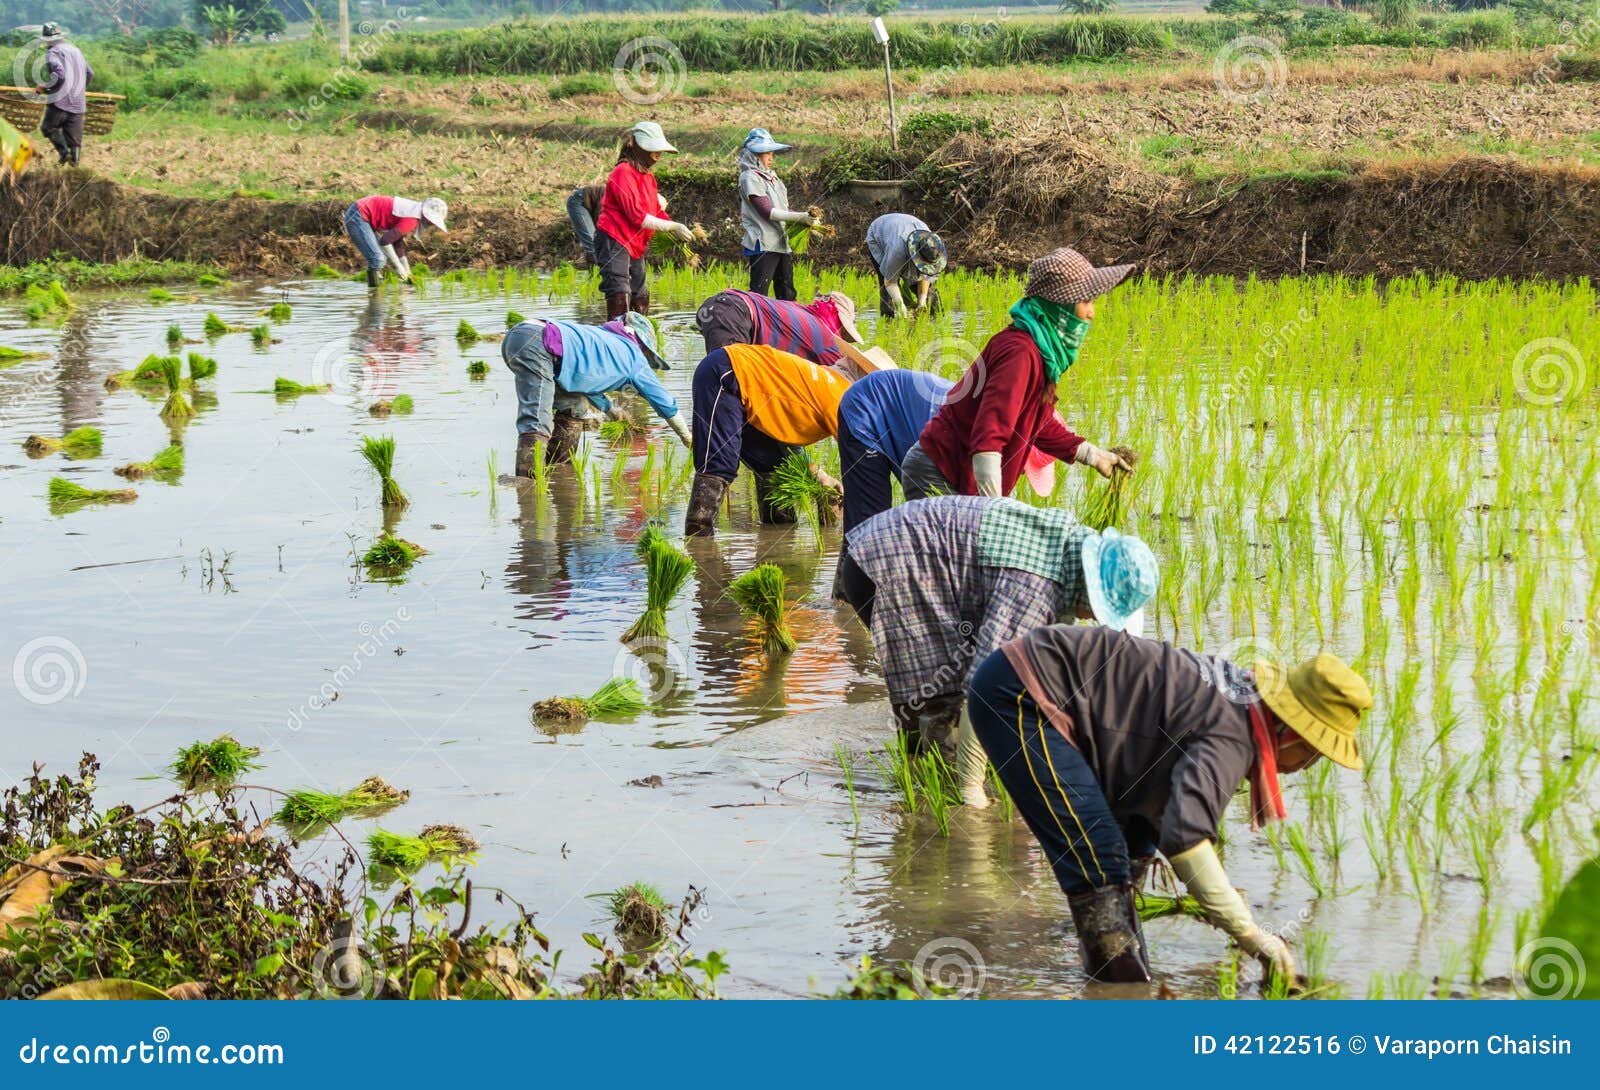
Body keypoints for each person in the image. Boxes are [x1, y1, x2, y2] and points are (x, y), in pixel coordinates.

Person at [967, 631, 1370, 986]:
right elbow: (1185, 838)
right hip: (1022, 693)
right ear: (1293, 733)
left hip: (1038, 678)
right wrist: (1251, 934)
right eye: (1316, 753)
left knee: (1134, 844)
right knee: (1099, 860)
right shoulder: (1232, 734)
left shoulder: (1241, 704)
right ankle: (1121, 988)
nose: (1307, 766)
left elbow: (1164, 804)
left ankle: (1101, 956)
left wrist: (1221, 899)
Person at [838, 496, 1158, 809]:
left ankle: (920, 777)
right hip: (883, 566)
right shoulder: (1036, 587)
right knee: (940, 696)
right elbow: (986, 687)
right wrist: (971, 787)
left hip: (892, 553)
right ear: (1091, 590)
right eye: (1099, 612)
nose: (1093, 619)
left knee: (951, 697)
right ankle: (934, 791)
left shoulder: (1066, 549)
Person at [903, 246, 1134, 500]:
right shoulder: (1020, 353)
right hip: (941, 473)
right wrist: (994, 511)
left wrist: (1093, 455)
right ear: (1061, 305)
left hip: (964, 472)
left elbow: (1038, 424)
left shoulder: (1042, 351)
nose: (1091, 313)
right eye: (1086, 302)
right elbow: (988, 438)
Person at [684, 343, 872, 536]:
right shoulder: (841, 397)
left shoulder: (822, 383)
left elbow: (785, 439)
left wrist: (821, 477)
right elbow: (861, 465)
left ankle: (778, 540)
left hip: (743, 383)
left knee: (776, 465)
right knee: (719, 463)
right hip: (727, 372)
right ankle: (700, 544)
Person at [501, 312, 690, 477]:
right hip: (538, 343)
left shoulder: (603, 339)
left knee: (575, 405)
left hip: (520, 337)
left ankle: (559, 470)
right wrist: (687, 437)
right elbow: (665, 403)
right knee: (537, 414)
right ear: (643, 346)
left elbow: (585, 382)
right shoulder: (635, 358)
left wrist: (610, 409)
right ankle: (527, 482)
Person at [594, 121, 696, 320]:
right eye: (652, 148)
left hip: (635, 244)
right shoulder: (622, 172)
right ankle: (618, 340)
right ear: (634, 144)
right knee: (620, 290)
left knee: (640, 294)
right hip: (614, 239)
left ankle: (639, 338)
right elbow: (637, 215)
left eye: (659, 149)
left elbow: (656, 212)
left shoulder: (648, 178)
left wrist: (675, 231)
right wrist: (673, 226)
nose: (657, 153)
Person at [736, 128, 820, 300]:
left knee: (787, 290)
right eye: (766, 153)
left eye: (771, 153)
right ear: (753, 155)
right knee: (760, 293)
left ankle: (789, 324)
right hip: (763, 243)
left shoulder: (774, 179)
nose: (770, 157)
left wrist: (806, 219)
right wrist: (800, 216)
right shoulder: (749, 177)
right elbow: (766, 211)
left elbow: (782, 210)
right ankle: (756, 325)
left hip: (781, 242)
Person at [694, 288, 862, 369]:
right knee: (728, 379)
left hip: (712, 308)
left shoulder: (800, 311)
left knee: (740, 380)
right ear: (838, 322)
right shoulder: (824, 338)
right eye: (844, 333)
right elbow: (846, 378)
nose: (842, 338)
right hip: (732, 312)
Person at [343, 195, 448, 288]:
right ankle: (374, 294)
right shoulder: (412, 220)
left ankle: (376, 291)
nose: (432, 225)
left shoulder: (413, 211)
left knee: (381, 259)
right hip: (358, 214)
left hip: (362, 212)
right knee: (377, 259)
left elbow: (398, 244)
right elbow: (385, 241)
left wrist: (407, 272)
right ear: (427, 217)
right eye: (433, 222)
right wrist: (399, 268)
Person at [865, 212, 946, 320]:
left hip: (906, 226)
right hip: (879, 235)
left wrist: (922, 301)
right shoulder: (896, 251)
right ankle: (889, 321)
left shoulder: (933, 247)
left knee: (929, 298)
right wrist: (899, 304)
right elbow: (889, 281)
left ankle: (934, 319)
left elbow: (925, 276)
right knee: (888, 291)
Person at [33, 23, 92, 167]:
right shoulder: (76, 51)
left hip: (60, 101)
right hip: (78, 102)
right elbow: (90, 73)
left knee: (48, 128)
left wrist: (45, 87)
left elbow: (60, 75)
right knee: (74, 140)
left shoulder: (52, 52)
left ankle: (64, 154)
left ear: (48, 39)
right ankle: (75, 166)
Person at [565, 184, 604, 266]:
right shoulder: (617, 200)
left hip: (593, 206)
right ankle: (595, 277)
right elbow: (600, 218)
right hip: (579, 201)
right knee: (593, 243)